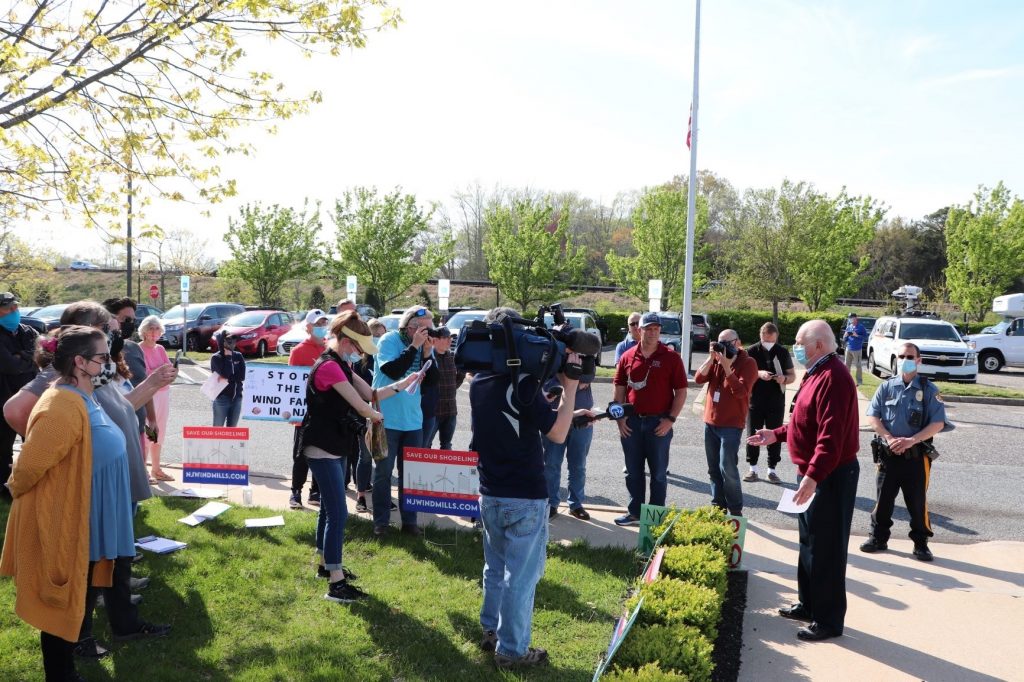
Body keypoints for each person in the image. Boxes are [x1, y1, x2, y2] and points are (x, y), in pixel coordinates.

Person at [1, 326, 169, 682]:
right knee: (60, 602)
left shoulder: (84, 393)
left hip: (95, 511)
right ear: (79, 362)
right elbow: (27, 469)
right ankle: (61, 675)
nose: (108, 362)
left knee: (83, 593)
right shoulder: (60, 404)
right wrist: (48, 503)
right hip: (74, 516)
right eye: (101, 357)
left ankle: (69, 669)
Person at [470, 307, 585, 669]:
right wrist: (569, 386)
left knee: (495, 566)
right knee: (520, 577)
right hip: (525, 496)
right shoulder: (524, 386)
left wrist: (546, 404)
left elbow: (514, 418)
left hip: (490, 492)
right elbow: (557, 433)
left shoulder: (479, 383)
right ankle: (513, 650)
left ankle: (491, 630)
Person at [748, 319, 860, 642]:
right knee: (808, 542)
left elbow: (830, 437)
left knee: (827, 548)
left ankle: (828, 620)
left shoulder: (835, 377)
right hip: (813, 472)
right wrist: (775, 434)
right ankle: (808, 604)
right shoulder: (816, 372)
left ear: (819, 346)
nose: (796, 347)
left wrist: (812, 476)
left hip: (829, 475)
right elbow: (802, 422)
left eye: (800, 342)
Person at [299, 311, 412, 603]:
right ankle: (336, 585)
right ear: (346, 340)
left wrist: (403, 383)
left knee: (328, 509)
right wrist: (376, 418)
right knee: (338, 513)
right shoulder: (329, 367)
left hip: (335, 445)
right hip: (321, 446)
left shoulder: (341, 365)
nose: (359, 352)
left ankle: (325, 566)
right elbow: (362, 407)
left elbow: (371, 394)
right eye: (357, 346)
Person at [861, 342, 950, 561]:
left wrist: (912, 440)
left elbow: (938, 423)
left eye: (910, 356)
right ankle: (878, 538)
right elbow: (873, 416)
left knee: (917, 503)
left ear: (919, 360)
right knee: (882, 501)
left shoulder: (928, 389)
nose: (905, 359)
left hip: (916, 457)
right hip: (888, 455)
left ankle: (921, 543)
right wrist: (889, 438)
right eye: (901, 356)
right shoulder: (886, 387)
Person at [612, 312, 687, 526]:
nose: (653, 332)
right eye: (648, 328)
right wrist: (620, 419)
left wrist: (670, 419)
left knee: (659, 474)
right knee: (633, 472)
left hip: (659, 423)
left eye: (656, 328)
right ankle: (635, 512)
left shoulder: (671, 357)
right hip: (632, 423)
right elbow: (619, 388)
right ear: (639, 330)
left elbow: (681, 391)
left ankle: (655, 517)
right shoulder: (628, 356)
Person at [369, 305, 438, 538]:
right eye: (424, 329)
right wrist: (414, 347)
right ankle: (381, 522)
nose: (428, 333)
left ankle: (410, 522)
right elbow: (392, 371)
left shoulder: (422, 347)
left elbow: (431, 384)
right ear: (410, 327)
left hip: (413, 421)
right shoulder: (388, 340)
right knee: (383, 473)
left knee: (411, 475)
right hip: (386, 418)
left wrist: (427, 353)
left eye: (430, 329)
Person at [694, 329, 758, 516]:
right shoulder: (716, 360)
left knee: (727, 467)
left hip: (731, 424)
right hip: (710, 422)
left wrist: (727, 366)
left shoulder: (748, 363)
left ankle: (735, 510)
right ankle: (718, 507)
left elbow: (741, 392)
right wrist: (711, 358)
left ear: (738, 342)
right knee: (713, 468)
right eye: (720, 342)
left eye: (727, 342)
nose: (724, 346)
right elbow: (698, 379)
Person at [744, 322, 796, 484]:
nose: (767, 343)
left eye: (770, 340)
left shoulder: (782, 351)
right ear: (760, 336)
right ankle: (752, 469)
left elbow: (792, 375)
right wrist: (759, 373)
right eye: (764, 340)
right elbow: (743, 374)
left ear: (776, 337)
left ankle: (772, 470)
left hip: (776, 401)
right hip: (755, 400)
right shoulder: (751, 351)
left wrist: (784, 379)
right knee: (753, 433)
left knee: (775, 434)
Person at [542, 362, 596, 520]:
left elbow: (587, 376)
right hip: (554, 416)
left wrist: (561, 382)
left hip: (582, 418)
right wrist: (570, 383)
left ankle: (576, 504)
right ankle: (551, 503)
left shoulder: (583, 347)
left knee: (578, 465)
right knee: (551, 463)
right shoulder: (552, 348)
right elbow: (545, 381)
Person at [287, 309, 329, 509]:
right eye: (318, 324)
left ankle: (316, 491)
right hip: (303, 414)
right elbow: (290, 385)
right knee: (301, 455)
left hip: (326, 413)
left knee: (322, 453)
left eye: (324, 323)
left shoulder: (330, 349)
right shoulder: (298, 351)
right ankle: (295, 492)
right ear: (309, 327)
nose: (322, 327)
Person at [0, 291, 37, 501]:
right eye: (8, 308)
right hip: (4, 399)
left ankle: (31, 480)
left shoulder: (28, 331)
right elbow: (9, 365)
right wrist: (25, 358)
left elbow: (40, 356)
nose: (14, 312)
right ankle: (5, 486)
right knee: (3, 446)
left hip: (31, 398)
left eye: (15, 307)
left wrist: (21, 357)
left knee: (32, 442)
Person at [138, 315, 174, 480]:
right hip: (149, 395)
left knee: (160, 431)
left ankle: (157, 469)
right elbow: (145, 374)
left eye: (157, 329)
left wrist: (168, 371)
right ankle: (143, 470)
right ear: (144, 331)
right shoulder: (139, 349)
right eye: (151, 329)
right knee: (147, 432)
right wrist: (161, 370)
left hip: (164, 393)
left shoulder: (160, 349)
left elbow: (168, 369)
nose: (154, 332)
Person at [427, 327, 464, 450]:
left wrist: (451, 388)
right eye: (445, 338)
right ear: (435, 340)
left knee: (447, 445)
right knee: (426, 444)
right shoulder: (428, 357)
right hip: (433, 411)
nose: (450, 340)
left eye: (450, 337)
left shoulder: (453, 357)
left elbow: (458, 379)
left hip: (450, 410)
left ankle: (445, 470)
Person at [210, 330, 245, 427]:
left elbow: (242, 376)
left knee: (232, 429)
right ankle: (216, 443)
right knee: (218, 428)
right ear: (222, 342)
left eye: (233, 341)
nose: (232, 344)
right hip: (222, 398)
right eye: (228, 341)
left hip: (237, 398)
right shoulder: (216, 358)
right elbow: (225, 374)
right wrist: (228, 358)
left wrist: (229, 377)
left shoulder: (238, 356)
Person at [842, 313, 868, 385]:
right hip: (848, 348)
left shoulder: (861, 327)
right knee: (847, 366)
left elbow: (865, 337)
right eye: (849, 318)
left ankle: (859, 382)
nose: (850, 319)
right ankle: (847, 381)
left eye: (852, 317)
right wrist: (845, 335)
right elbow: (845, 339)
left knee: (858, 366)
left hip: (857, 349)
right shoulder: (849, 327)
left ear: (856, 318)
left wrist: (856, 335)